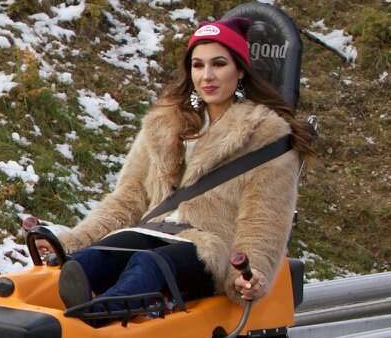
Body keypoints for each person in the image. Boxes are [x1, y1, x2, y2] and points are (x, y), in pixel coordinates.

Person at [48, 17, 312, 315]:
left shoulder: (266, 138)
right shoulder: (164, 123)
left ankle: (93, 318)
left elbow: (263, 220)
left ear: (239, 69)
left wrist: (249, 273)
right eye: (198, 65)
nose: (207, 76)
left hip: (209, 247)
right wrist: (76, 240)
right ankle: (32, 306)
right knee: (91, 260)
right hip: (153, 230)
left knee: (147, 265)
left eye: (219, 64)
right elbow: (130, 194)